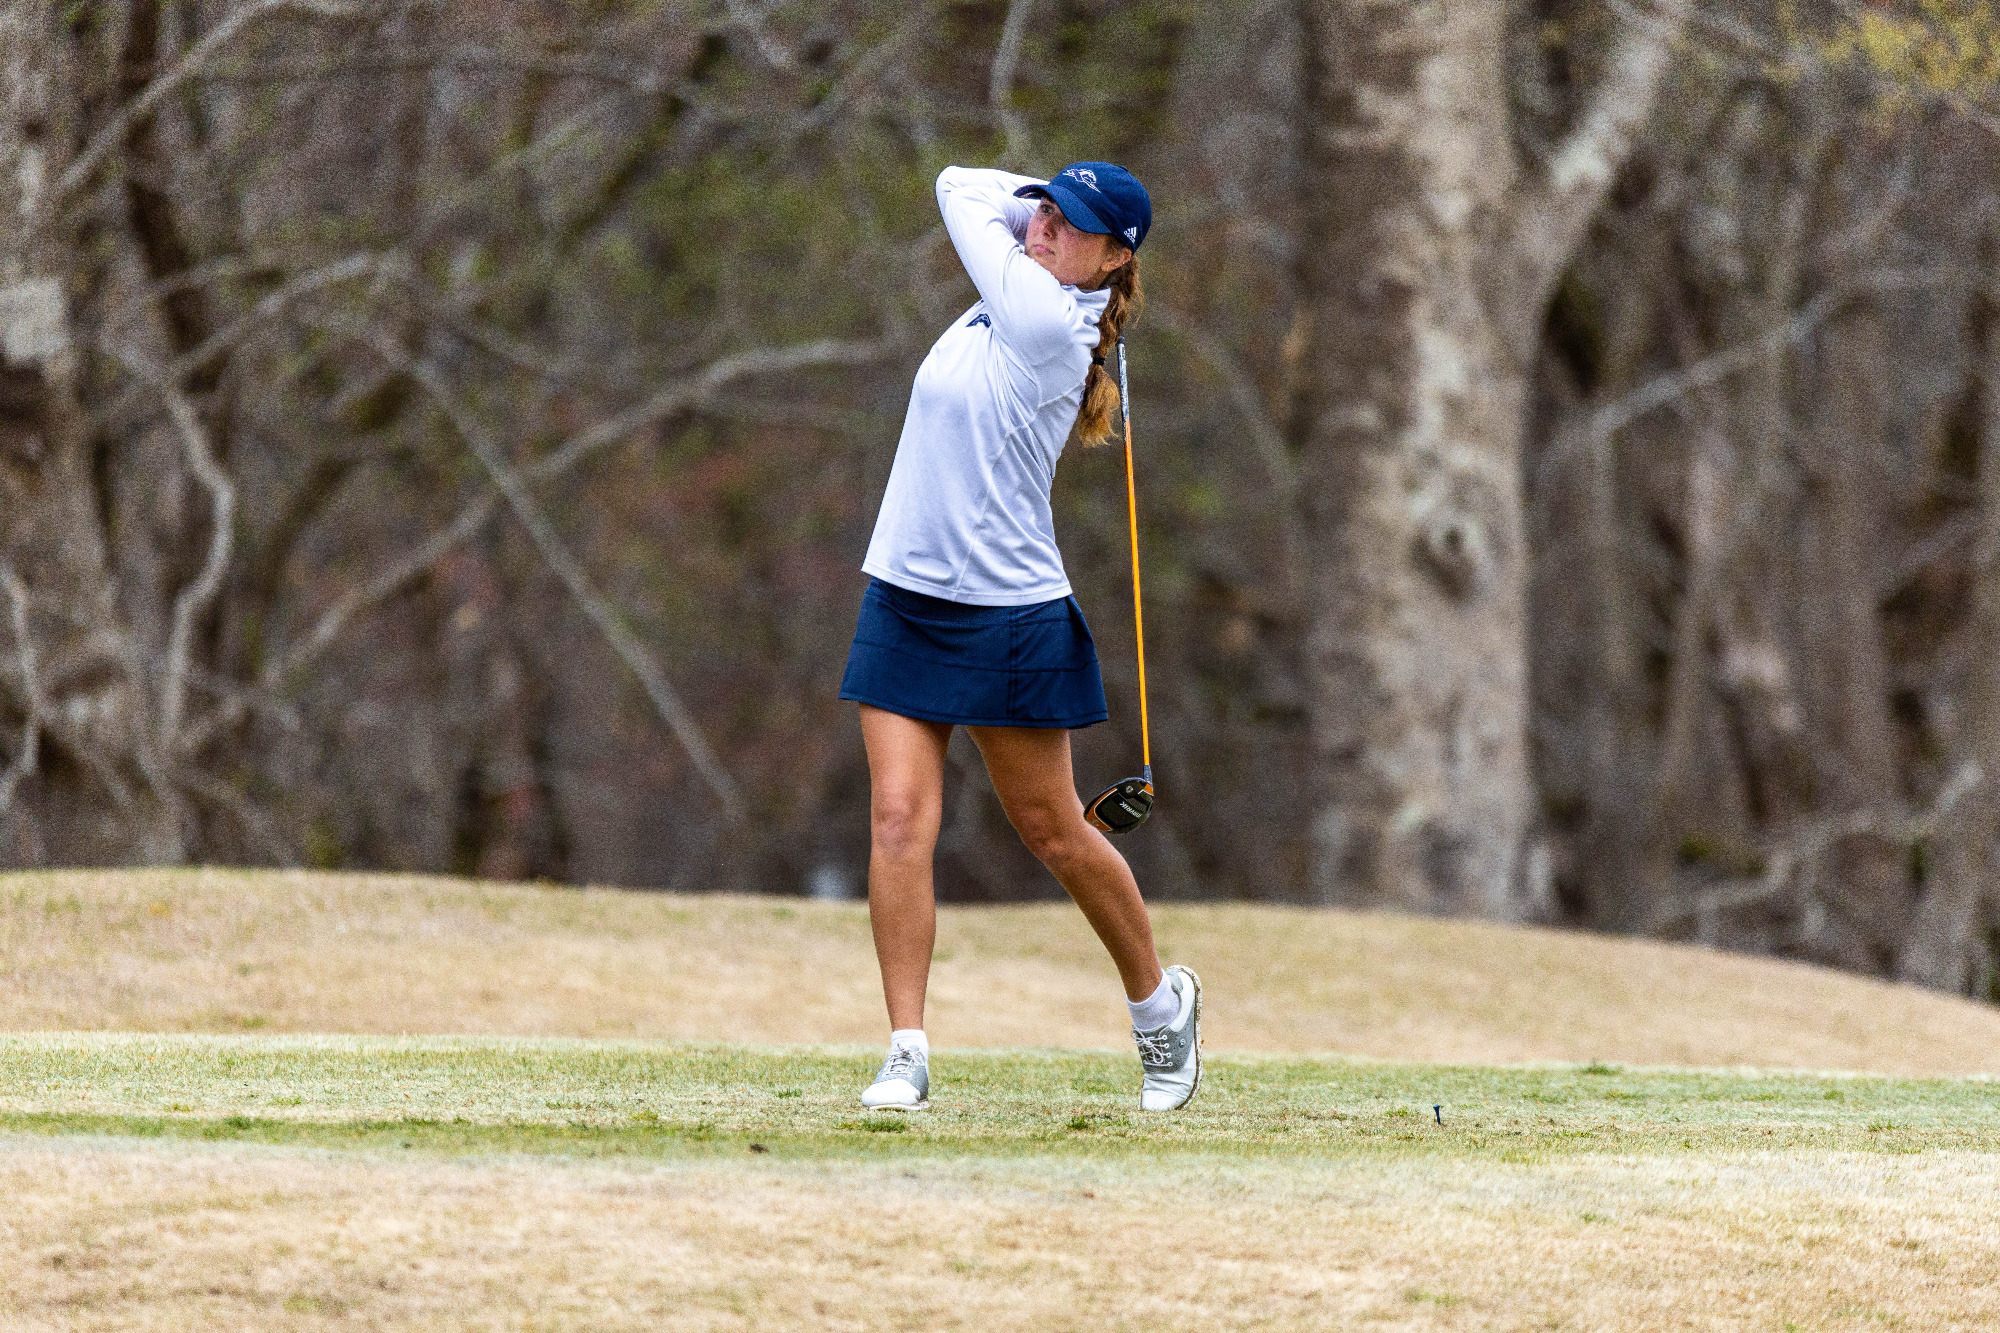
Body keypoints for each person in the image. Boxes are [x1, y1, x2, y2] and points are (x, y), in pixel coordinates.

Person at [837, 161, 1200, 1113]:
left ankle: (1160, 1007)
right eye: (1043, 210)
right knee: (898, 820)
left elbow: (955, 184)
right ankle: (906, 1052)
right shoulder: (1018, 286)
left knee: (1055, 830)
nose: (1043, 224)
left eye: (1071, 224)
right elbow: (969, 188)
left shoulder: (1044, 320)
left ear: (1114, 260)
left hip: (1010, 616)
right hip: (906, 598)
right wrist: (1051, 198)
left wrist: (1028, 201)